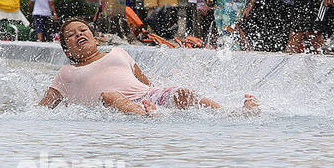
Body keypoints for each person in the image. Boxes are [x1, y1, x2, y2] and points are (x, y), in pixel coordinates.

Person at [38, 18, 258, 115]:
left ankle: (233, 113)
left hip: (146, 97)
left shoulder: (119, 52)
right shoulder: (65, 73)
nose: (79, 34)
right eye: (71, 35)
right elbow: (42, 108)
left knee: (183, 93)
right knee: (110, 95)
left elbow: (146, 84)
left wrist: (160, 95)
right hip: (112, 104)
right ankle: (148, 116)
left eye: (83, 31)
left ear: (96, 38)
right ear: (67, 50)